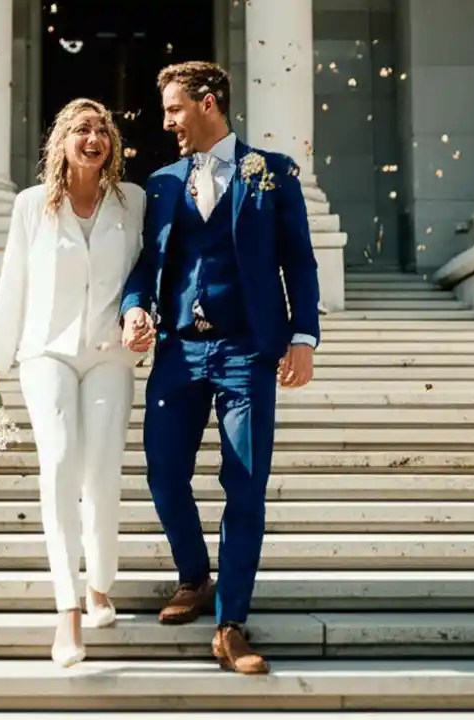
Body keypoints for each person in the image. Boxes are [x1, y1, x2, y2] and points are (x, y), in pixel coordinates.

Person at [120, 61, 321, 675]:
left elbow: (300, 263)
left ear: (209, 103)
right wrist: (134, 310)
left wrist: (304, 336)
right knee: (163, 473)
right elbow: (140, 267)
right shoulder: (158, 185)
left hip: (247, 352)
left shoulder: (273, 173)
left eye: (175, 109)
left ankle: (231, 622)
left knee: (245, 483)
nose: (167, 122)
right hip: (178, 351)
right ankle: (193, 575)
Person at [0, 98, 145, 668]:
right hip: (44, 352)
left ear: (112, 144)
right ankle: (67, 611)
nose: (92, 137)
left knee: (101, 469)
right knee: (60, 463)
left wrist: (148, 322)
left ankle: (100, 583)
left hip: (110, 353)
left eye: (101, 129)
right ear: (61, 142)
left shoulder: (134, 203)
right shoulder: (31, 207)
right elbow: (11, 285)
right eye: (80, 129)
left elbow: (150, 273)